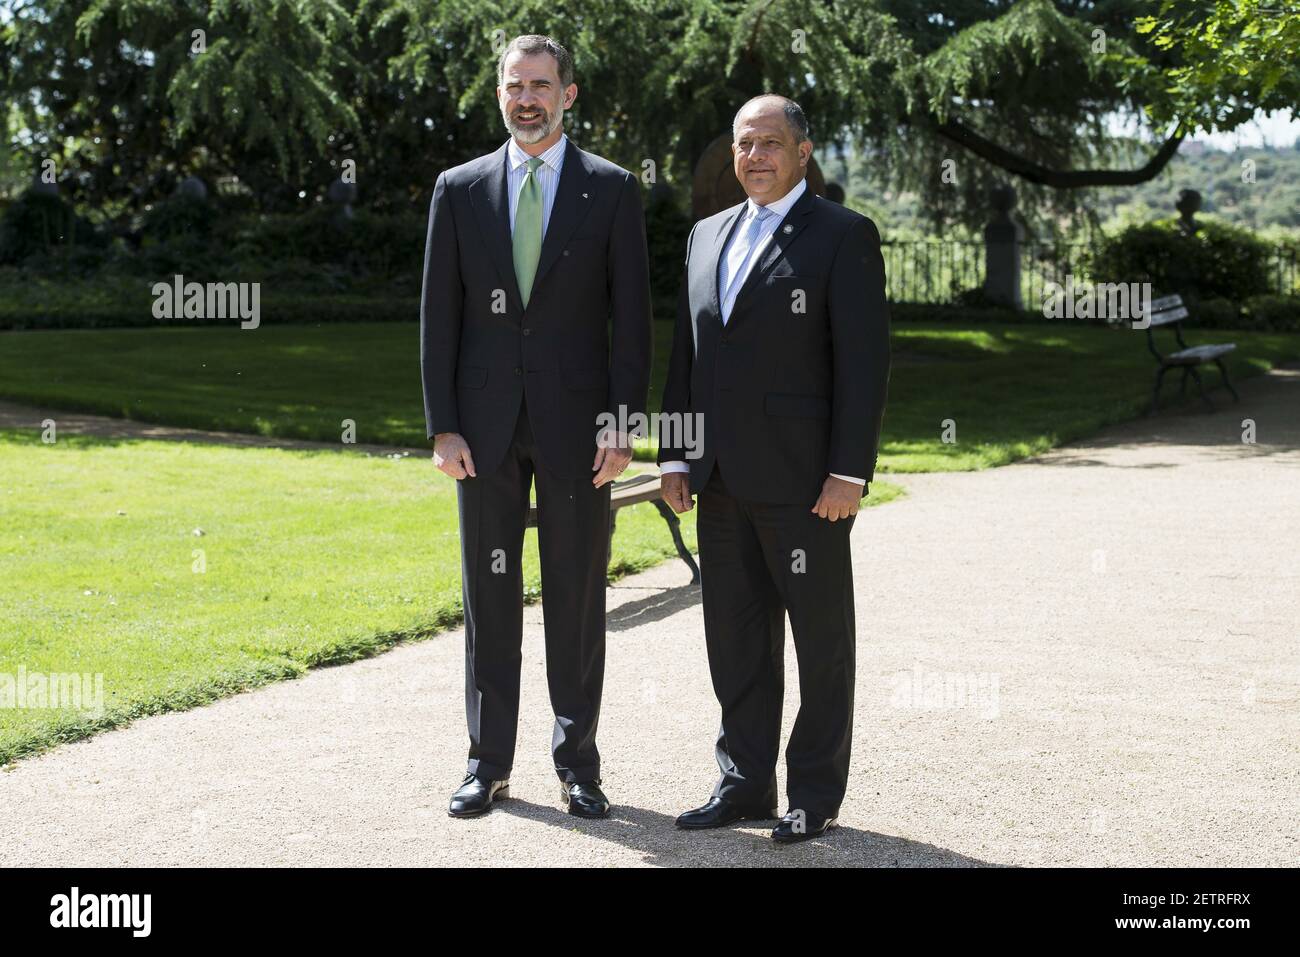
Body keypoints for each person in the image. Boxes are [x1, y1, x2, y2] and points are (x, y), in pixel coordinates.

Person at [419, 34, 652, 819]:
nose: (528, 98)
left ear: (569, 95)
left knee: (578, 599)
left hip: (580, 432)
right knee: (488, 598)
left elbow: (633, 322)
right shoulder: (459, 188)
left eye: (542, 85)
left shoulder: (611, 190)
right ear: (499, 95)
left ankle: (577, 763)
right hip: (481, 433)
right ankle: (486, 763)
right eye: (515, 85)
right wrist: (442, 425)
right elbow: (438, 319)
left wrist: (622, 424)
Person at [658, 94, 890, 843]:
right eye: (743, 145)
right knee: (735, 637)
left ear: (803, 152)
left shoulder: (842, 236)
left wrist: (848, 471)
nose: (754, 157)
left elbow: (864, 363)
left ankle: (813, 793)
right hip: (718, 479)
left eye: (769, 144)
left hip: (804, 483)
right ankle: (744, 781)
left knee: (821, 641)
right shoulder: (704, 237)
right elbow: (686, 357)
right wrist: (675, 451)